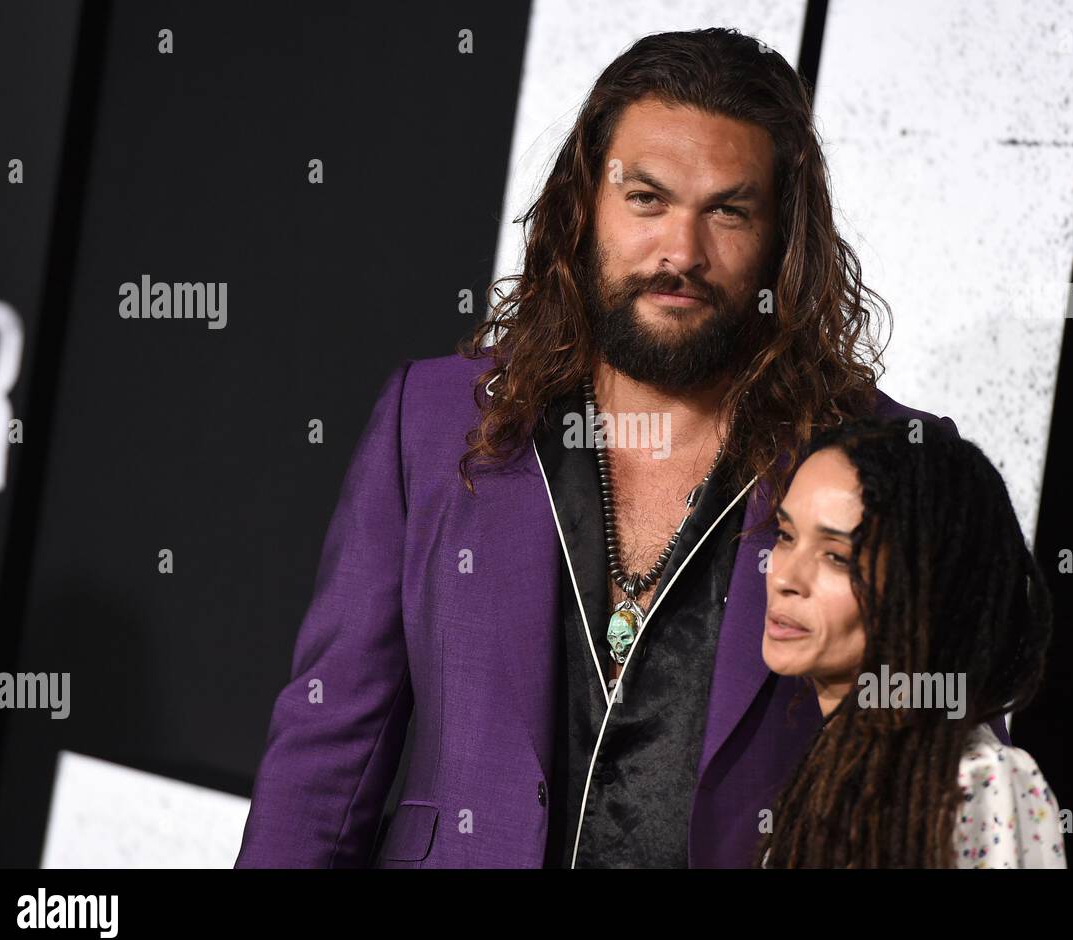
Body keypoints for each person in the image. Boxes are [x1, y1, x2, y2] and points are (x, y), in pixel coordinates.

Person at [235, 27, 1008, 870]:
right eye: (647, 199)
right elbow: (326, 752)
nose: (682, 251)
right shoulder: (429, 418)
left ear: (783, 239)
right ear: (584, 206)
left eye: (728, 210)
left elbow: (941, 782)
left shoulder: (887, 461)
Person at [757, 417, 1065, 868]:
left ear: (926, 588)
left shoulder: (978, 782)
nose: (784, 576)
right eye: (786, 536)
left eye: (837, 557)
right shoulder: (830, 771)